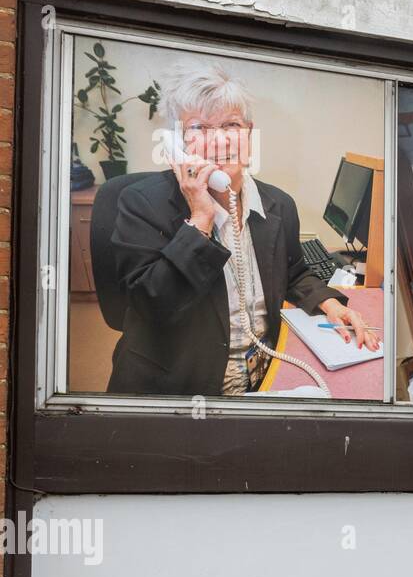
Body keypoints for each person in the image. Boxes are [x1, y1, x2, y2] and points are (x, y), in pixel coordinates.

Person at [107, 60, 378, 397]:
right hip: (184, 385)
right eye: (200, 128)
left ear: (249, 133)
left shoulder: (277, 204)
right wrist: (200, 221)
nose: (219, 141)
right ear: (177, 141)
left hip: (264, 372)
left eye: (231, 124)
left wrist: (331, 305)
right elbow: (152, 304)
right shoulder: (142, 204)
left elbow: (292, 271)